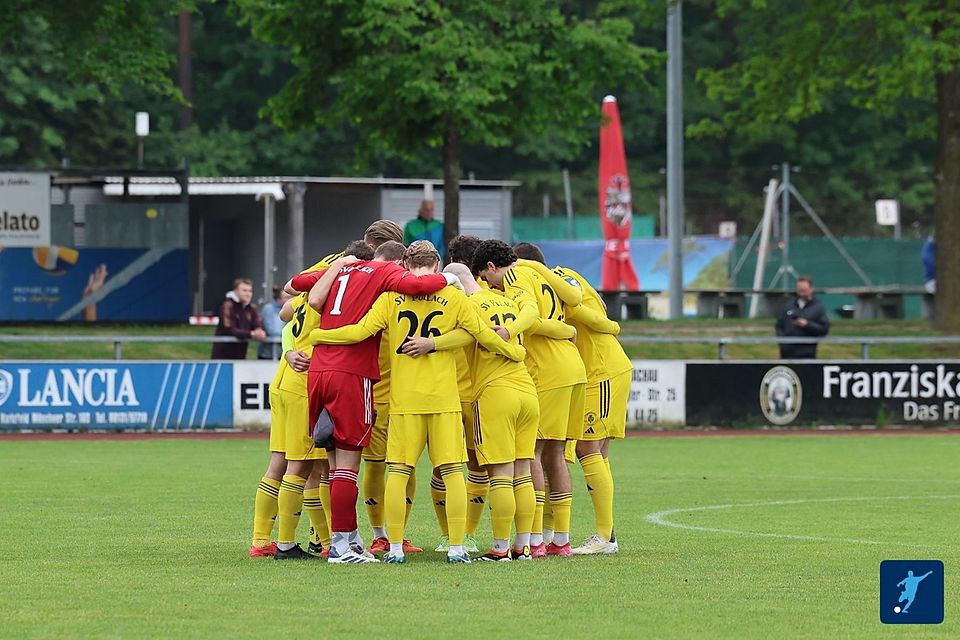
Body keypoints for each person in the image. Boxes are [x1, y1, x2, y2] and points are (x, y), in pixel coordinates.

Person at [308, 241, 526, 564]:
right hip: (443, 398)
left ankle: (394, 548)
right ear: (437, 266)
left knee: (397, 471)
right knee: (453, 472)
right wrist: (515, 351)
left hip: (405, 400)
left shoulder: (391, 298)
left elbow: (359, 332)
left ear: (406, 267)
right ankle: (455, 548)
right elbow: (481, 333)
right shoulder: (452, 296)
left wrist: (320, 337)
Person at [289, 241, 462, 564]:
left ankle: (350, 539)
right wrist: (453, 278)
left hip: (319, 371)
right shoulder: (383, 273)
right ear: (396, 262)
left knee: (333, 460)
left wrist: (339, 265)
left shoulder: (340, 270)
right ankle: (341, 546)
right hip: (351, 374)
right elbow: (421, 283)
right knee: (348, 466)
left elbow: (295, 284)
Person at [473, 240, 588, 558]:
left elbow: (530, 318)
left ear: (493, 267)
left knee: (532, 454)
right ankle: (560, 539)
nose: (487, 284)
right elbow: (575, 297)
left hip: (545, 370)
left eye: (486, 276)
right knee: (558, 454)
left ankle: (534, 540)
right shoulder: (538, 269)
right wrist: (565, 330)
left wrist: (511, 332)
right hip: (573, 367)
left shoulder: (513, 277)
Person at [514, 243, 630, 555]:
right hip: (589, 370)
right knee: (574, 451)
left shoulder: (558, 279)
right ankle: (569, 533)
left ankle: (606, 537)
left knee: (585, 448)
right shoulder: (558, 279)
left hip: (601, 369)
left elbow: (583, 309)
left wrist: (609, 326)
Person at [775, 276, 830, 359]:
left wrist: (807, 325)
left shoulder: (818, 307)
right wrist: (782, 342)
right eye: (800, 290)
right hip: (787, 353)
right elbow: (779, 325)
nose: (802, 293)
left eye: (804, 290)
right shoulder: (788, 305)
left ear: (811, 289)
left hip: (807, 353)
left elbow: (824, 329)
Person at [212, 278, 266, 359]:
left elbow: (256, 323)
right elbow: (230, 329)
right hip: (223, 356)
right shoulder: (227, 306)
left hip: (240, 355)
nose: (248, 294)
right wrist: (251, 334)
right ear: (236, 291)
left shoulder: (251, 308)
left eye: (250, 291)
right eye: (244, 290)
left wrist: (259, 331)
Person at [257, 287, 289, 360]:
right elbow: (274, 332)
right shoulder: (269, 309)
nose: (290, 300)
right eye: (286, 297)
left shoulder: (289, 309)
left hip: (282, 353)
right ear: (278, 299)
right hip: (268, 354)